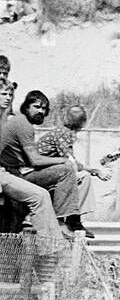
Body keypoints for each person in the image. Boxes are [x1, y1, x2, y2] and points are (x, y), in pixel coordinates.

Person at [0, 90, 94, 238]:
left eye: (44, 109)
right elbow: (35, 161)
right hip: (16, 175)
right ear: (26, 107)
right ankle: (62, 223)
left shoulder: (22, 122)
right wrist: (62, 160)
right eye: (36, 107)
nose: (41, 111)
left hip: (18, 172)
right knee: (66, 170)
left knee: (76, 175)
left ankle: (71, 221)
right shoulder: (24, 124)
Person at [0, 83, 66, 247]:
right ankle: (53, 247)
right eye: (3, 94)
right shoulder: (18, 122)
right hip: (4, 173)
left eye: (10, 95)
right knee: (40, 196)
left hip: (7, 172)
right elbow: (34, 160)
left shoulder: (9, 119)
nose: (8, 98)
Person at [35, 104, 107, 238]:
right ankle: (72, 221)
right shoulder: (64, 133)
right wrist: (93, 171)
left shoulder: (63, 132)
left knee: (83, 176)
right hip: (40, 173)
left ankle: (74, 220)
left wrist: (93, 170)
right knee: (83, 177)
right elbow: (71, 163)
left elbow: (71, 161)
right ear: (82, 122)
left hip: (49, 171)